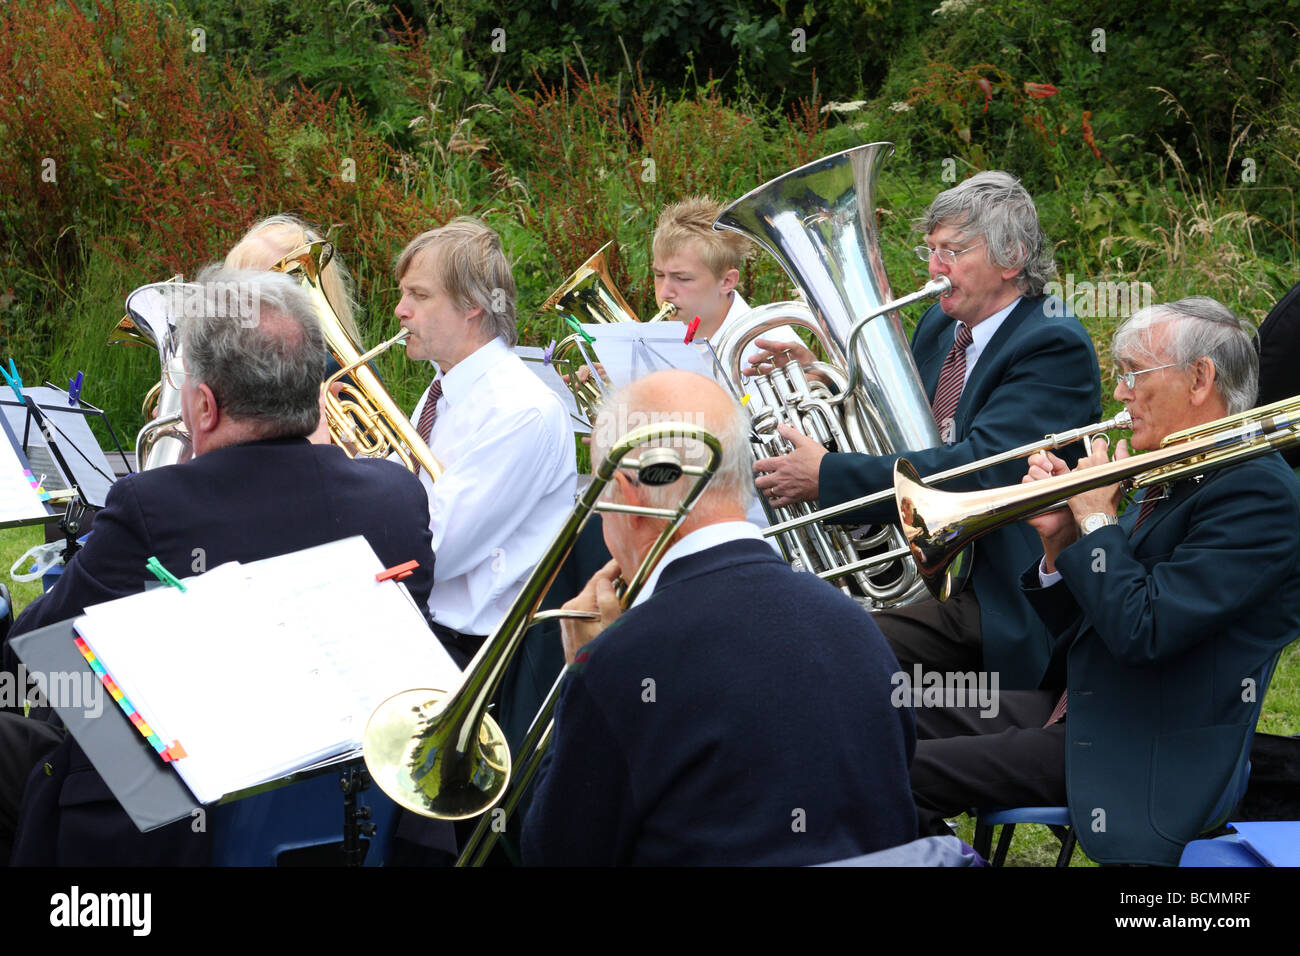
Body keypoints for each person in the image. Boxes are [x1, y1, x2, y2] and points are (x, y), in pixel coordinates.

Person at [0, 268, 438, 865]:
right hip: (357, 810)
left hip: (177, 826)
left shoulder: (153, 507)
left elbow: (33, 657)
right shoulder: (397, 494)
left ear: (204, 405)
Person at [909, 297, 1300, 865]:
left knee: (890, 769)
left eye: (1133, 374)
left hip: (1139, 746)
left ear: (1199, 379)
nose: (1119, 393)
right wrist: (1062, 542)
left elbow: (1144, 632)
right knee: (875, 717)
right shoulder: (1178, 469)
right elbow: (1093, 627)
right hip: (1083, 707)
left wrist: (1096, 521)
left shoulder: (1257, 494)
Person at [521, 370, 917, 866]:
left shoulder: (622, 661)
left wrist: (586, 666)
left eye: (599, 503)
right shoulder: (857, 625)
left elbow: (555, 853)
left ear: (628, 493)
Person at [750, 171, 1101, 689]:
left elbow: (982, 469)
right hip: (922, 566)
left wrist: (830, 477)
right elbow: (899, 435)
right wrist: (824, 382)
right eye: (931, 250)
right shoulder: (941, 325)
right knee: (764, 614)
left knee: (822, 643)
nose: (935, 267)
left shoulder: (1052, 345)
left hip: (992, 588)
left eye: (952, 251)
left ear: (1012, 258)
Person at [394, 217, 576, 666]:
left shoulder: (520, 410)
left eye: (419, 295)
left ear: (473, 305)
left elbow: (435, 551)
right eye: (403, 294)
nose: (400, 310)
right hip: (424, 622)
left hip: (477, 653)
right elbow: (406, 492)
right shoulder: (446, 385)